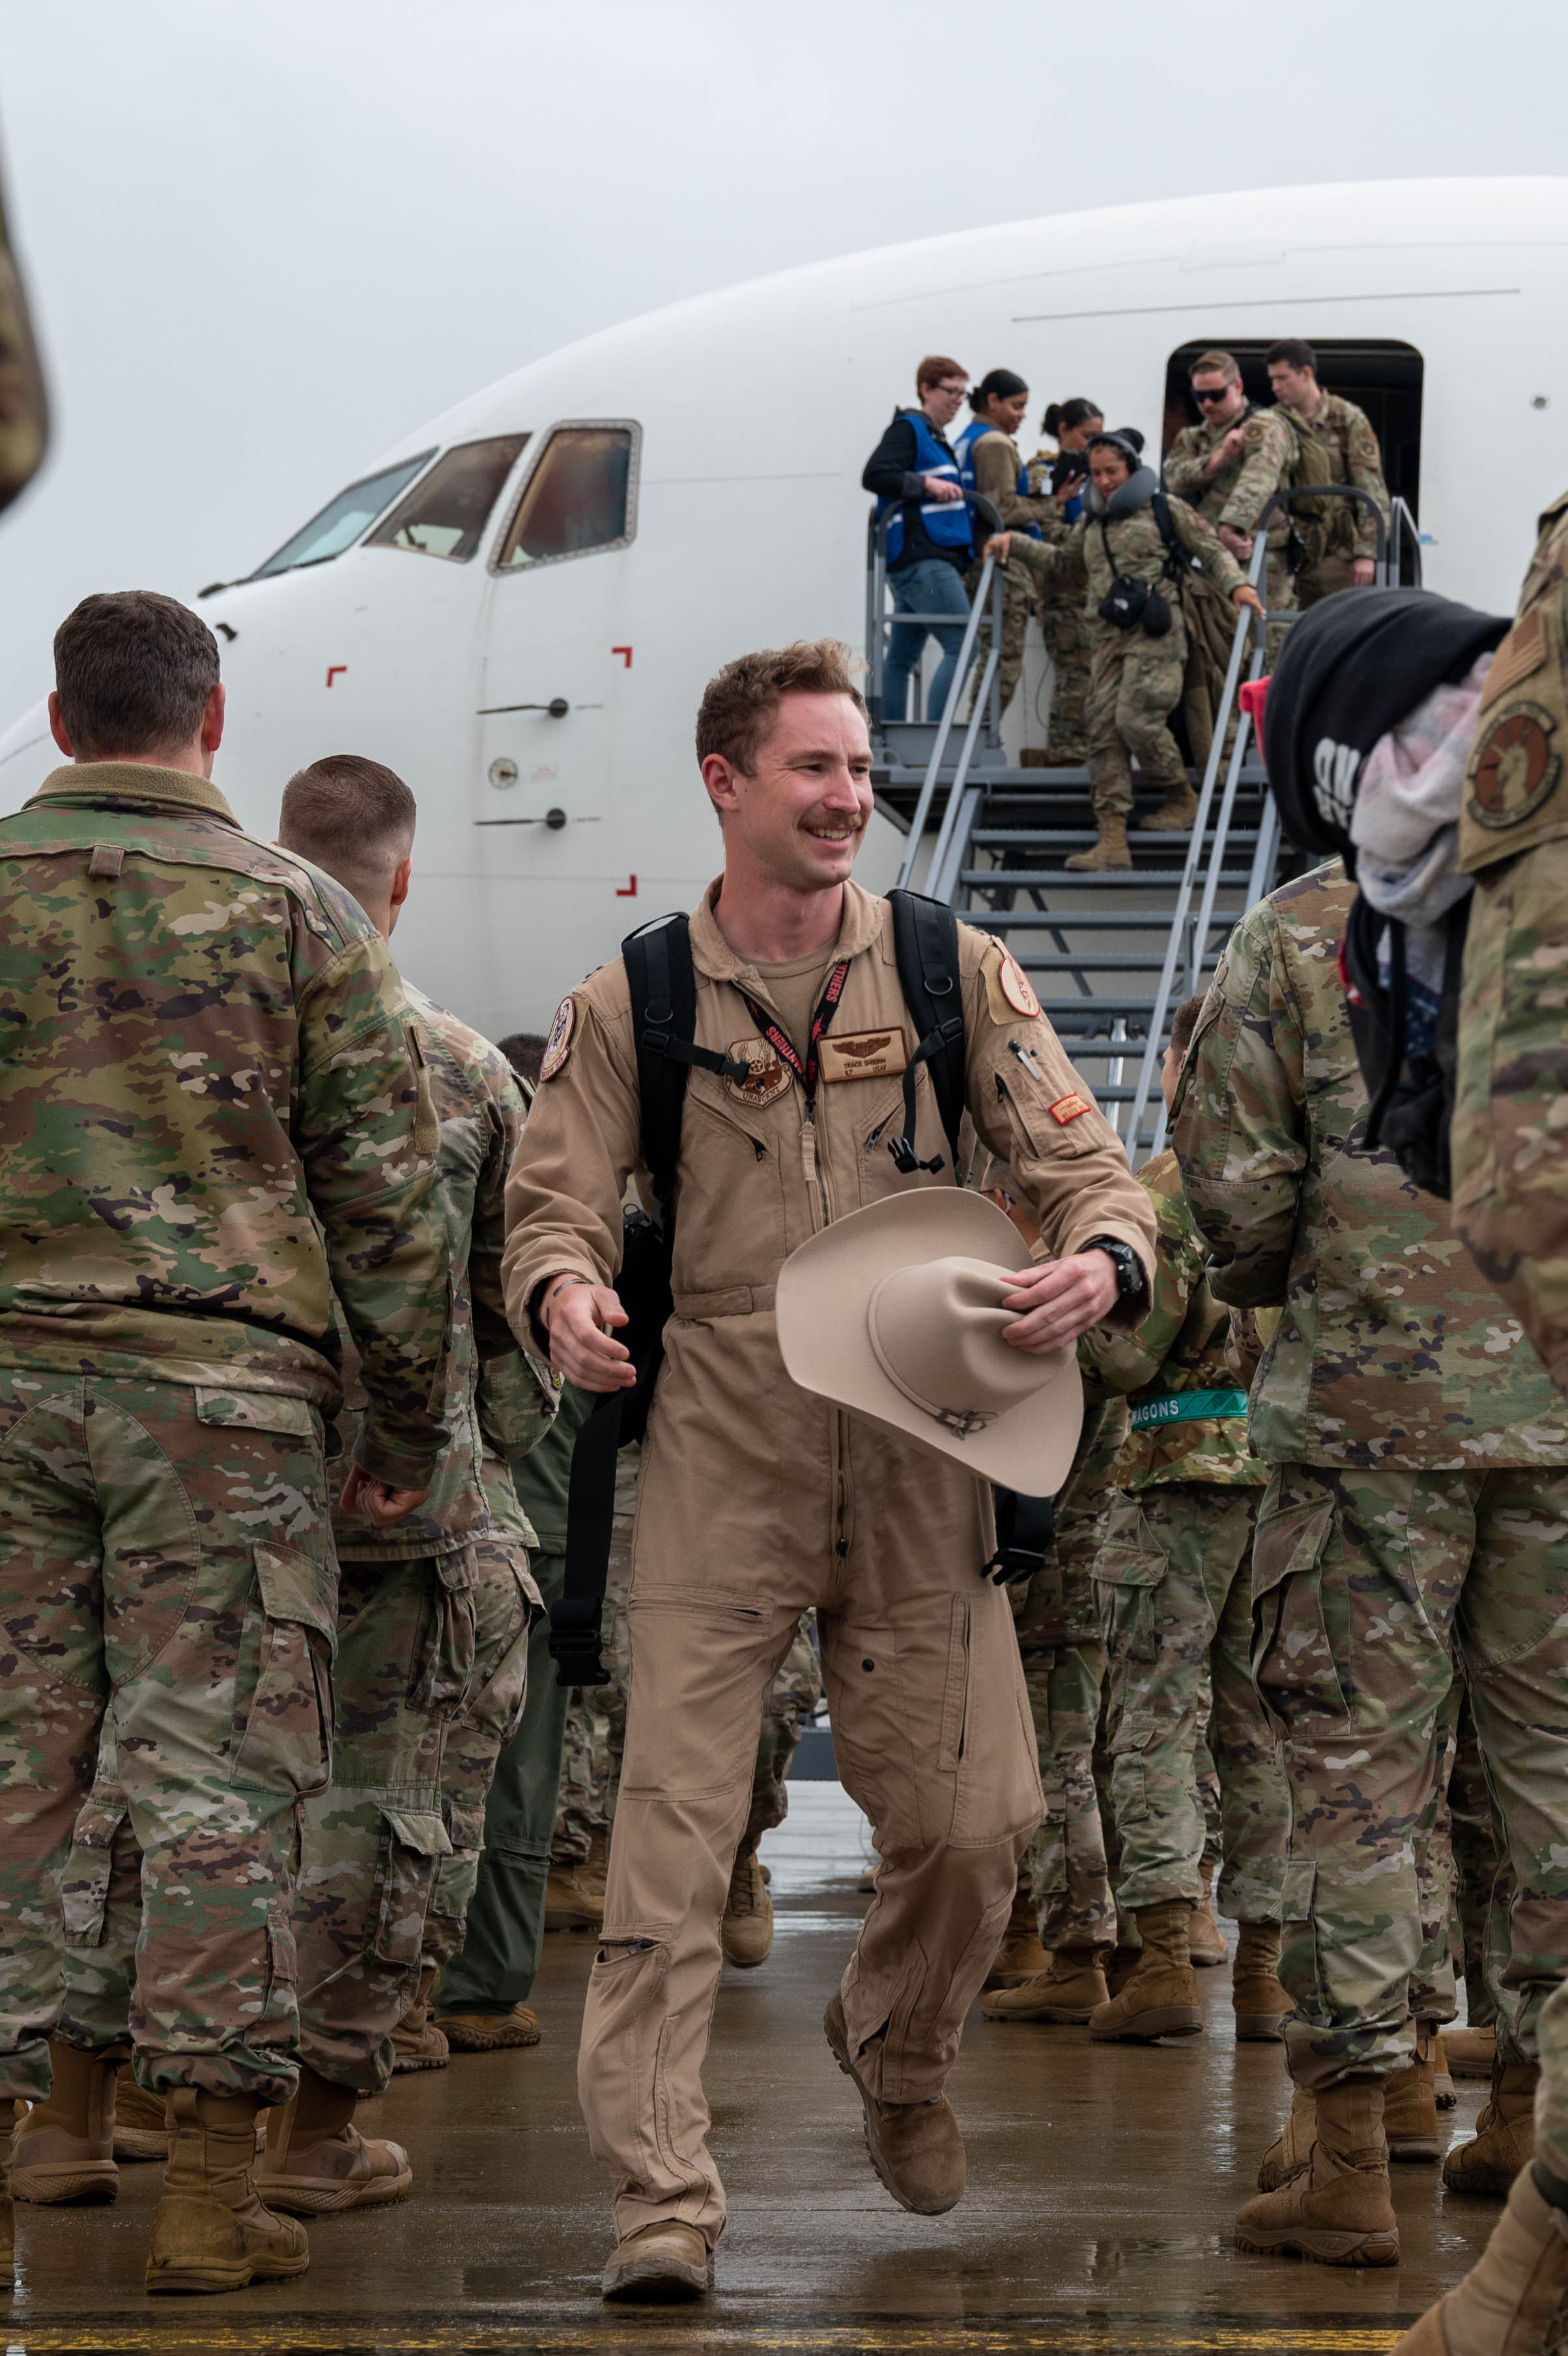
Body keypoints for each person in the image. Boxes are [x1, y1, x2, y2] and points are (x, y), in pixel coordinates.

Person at [504, 636, 1156, 2301]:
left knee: (973, 1823)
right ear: (725, 784)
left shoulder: (950, 967)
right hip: (723, 1427)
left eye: (858, 769)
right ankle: (661, 2194)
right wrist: (563, 1294)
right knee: (668, 1834)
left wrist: (1100, 1256)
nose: (847, 797)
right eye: (813, 769)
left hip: (917, 1425)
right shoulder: (630, 998)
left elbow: (1077, 1160)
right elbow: (553, 1202)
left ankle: (898, 2044)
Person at [0, 593, 451, 2295]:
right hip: (226, 1414)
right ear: (209, 724)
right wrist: (398, 1429)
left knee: (11, 1787)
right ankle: (204, 2197)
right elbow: (386, 1208)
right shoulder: (300, 911)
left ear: (57, 720)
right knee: (217, 1797)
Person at [34, 756, 556, 2202]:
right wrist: (457, 1445)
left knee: (126, 1797)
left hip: (180, 1472)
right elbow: (510, 1317)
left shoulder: (197, 1003)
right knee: (393, 1817)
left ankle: (82, 2107)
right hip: (400, 1503)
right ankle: (311, 2134)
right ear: (401, 878)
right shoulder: (455, 1064)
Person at [1173, 852, 1568, 2271]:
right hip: (1559, 1405)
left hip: (1368, 1420)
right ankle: (1531, 2117)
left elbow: (1232, 1186)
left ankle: (1353, 2153)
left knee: (1357, 1787)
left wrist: (1327, 1280)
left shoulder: (1301, 924)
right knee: (1549, 1779)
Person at [1391, 480, 1568, 2356]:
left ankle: (1355, 2110)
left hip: (1377, 1450)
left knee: (1379, 1795)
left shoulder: (1301, 953)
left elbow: (1527, 1176)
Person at [1073, 993, 1289, 2047]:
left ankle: (1163, 1957)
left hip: (1171, 1481)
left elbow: (1124, 1354)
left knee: (1151, 1719)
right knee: (1260, 1727)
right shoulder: (1298, 1187)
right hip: (1282, 1485)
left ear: (1177, 1066)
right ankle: (1266, 1976)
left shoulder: (1163, 1194)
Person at [986, 432, 1265, 871]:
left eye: (1111, 472)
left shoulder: (1163, 509)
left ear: (1131, 470)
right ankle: (1112, 840)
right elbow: (1064, 563)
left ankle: (1180, 795)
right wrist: (1015, 543)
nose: (1104, 480)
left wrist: (1238, 585)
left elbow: (1210, 550)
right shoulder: (1092, 523)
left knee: (1136, 719)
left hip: (1157, 633)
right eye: (1096, 473)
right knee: (1102, 735)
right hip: (1106, 640)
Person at [1163, 348, 1296, 660]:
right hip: (1208, 559)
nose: (1207, 404)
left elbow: (1259, 477)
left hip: (1261, 556)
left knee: (1267, 647)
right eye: (1200, 397)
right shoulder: (1192, 437)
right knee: (1215, 648)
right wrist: (1221, 458)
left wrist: (1232, 525)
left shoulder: (1265, 425)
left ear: (1237, 388)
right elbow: (1174, 479)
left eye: (1216, 395)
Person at [862, 356, 974, 722]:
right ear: (927, 390)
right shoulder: (909, 429)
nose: (958, 399)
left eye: (963, 393)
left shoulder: (936, 438)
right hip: (922, 557)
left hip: (922, 558)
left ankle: (890, 734)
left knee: (902, 657)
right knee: (964, 644)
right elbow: (875, 474)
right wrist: (926, 484)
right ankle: (937, 738)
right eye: (951, 391)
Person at [953, 369, 1059, 717]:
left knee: (993, 649)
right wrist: (1053, 502)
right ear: (993, 401)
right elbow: (1000, 508)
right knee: (1003, 652)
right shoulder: (995, 444)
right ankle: (983, 730)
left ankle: (980, 730)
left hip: (977, 557)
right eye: (1017, 406)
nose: (1023, 415)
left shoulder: (968, 439)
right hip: (999, 562)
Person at [1264, 337, 1390, 606]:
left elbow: (1372, 490)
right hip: (1286, 553)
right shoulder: (1272, 422)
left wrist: (1367, 554)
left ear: (1306, 373)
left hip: (1337, 554)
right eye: (1272, 380)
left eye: (1282, 378)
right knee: (1280, 637)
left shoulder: (1347, 418)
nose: (1275, 387)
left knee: (1340, 634)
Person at [1026, 399, 1104, 765]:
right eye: (1087, 436)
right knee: (1075, 673)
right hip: (1062, 590)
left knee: (1091, 674)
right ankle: (1067, 755)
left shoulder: (1096, 477)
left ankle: (1083, 750)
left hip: (1092, 591)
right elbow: (1041, 529)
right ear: (1063, 429)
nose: (1092, 445)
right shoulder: (1043, 474)